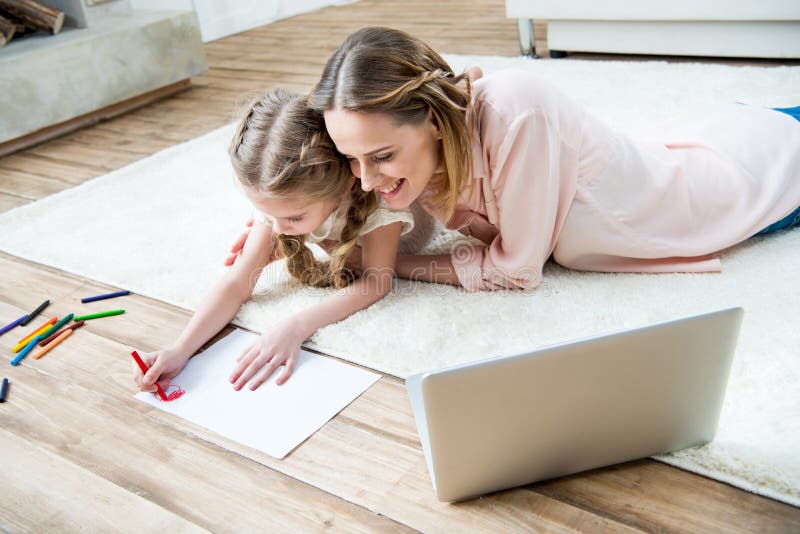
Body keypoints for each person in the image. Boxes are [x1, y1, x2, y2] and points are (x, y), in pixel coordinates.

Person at [294, 26, 800, 292]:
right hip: (694, 148)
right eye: (351, 159)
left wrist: (397, 266)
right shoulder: (414, 157)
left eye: (380, 157)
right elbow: (404, 221)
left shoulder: (518, 113)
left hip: (738, 188)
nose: (364, 180)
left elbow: (517, 271)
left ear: (429, 117)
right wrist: (289, 226)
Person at [133, 89, 431, 394]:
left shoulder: (378, 196)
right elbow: (237, 283)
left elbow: (377, 281)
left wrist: (297, 325)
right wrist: (180, 349)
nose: (277, 228)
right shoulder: (282, 206)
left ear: (342, 187)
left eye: (295, 219)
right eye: (266, 214)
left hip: (414, 226)